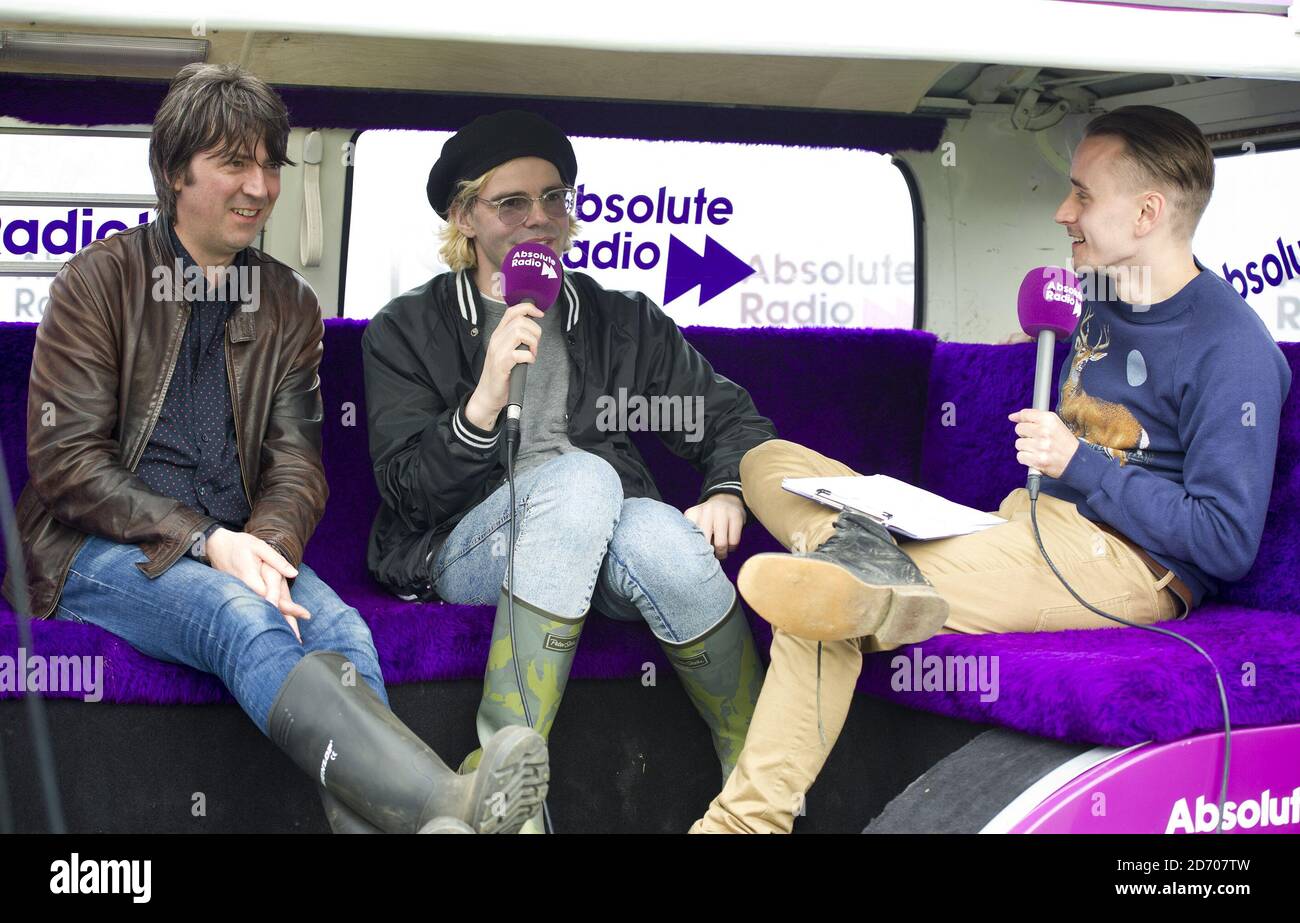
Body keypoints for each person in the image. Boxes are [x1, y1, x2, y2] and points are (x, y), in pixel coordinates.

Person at [690, 105, 1293, 833]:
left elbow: (1226, 540)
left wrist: (1081, 464)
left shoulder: (1234, 350)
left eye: (1083, 195)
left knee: (821, 607)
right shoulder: (1098, 293)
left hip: (1120, 565)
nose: (1064, 211)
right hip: (1018, 525)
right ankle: (870, 569)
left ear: (1147, 213)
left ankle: (742, 823)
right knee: (766, 460)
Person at [2, 63, 547, 835]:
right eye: (234, 163)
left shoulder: (289, 301)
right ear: (173, 173)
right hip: (95, 548)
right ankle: (442, 803)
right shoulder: (98, 282)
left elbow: (297, 464)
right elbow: (65, 466)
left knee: (344, 635)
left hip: (238, 544)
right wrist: (206, 540)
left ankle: (434, 824)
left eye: (269, 164)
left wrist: (263, 545)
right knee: (242, 617)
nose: (258, 185)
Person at [362, 109, 777, 830]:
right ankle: (504, 786)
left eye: (555, 197)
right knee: (584, 481)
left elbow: (731, 419)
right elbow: (409, 492)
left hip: (600, 532)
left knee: (663, 539)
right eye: (512, 202)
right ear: (464, 216)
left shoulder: (622, 322)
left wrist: (726, 488)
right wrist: (483, 402)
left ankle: (760, 776)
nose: (541, 219)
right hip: (466, 544)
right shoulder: (405, 330)